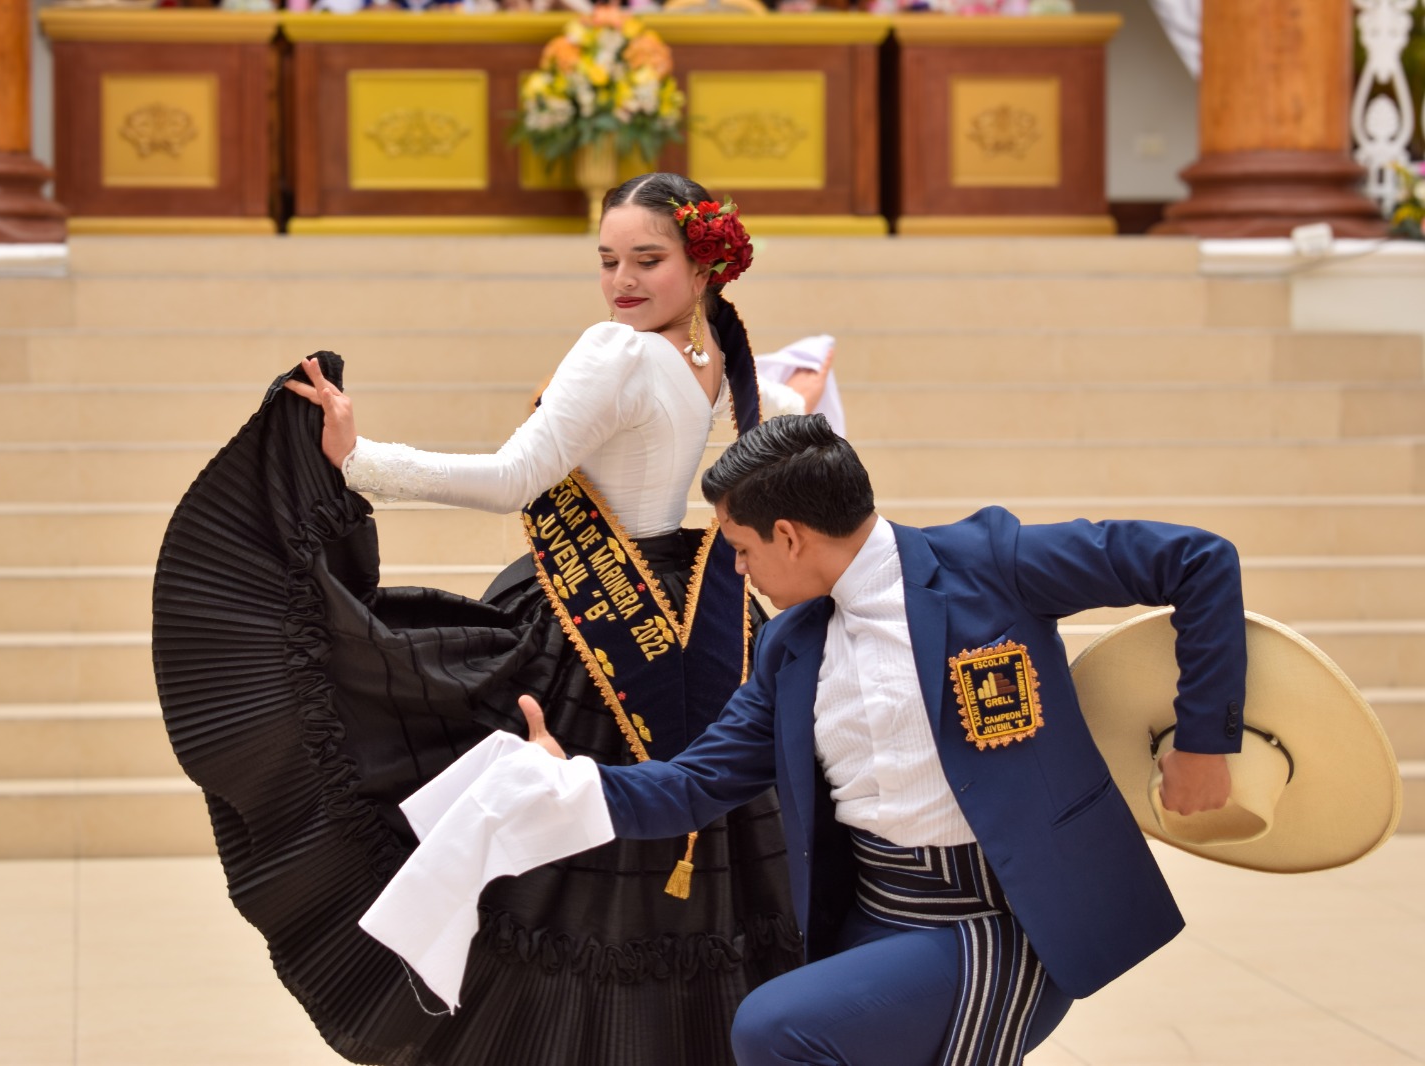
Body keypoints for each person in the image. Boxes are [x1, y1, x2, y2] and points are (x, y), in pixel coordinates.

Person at [152, 173, 829, 1066]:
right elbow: (765, 417)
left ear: (704, 262)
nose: (623, 280)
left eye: (648, 260)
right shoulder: (709, 356)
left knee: (545, 866)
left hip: (591, 637)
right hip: (683, 615)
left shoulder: (617, 352)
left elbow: (514, 479)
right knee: (692, 855)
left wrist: (359, 460)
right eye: (608, 260)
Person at [511, 413, 1245, 1066]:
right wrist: (574, 779)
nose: (737, 569)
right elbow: (697, 784)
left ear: (790, 537)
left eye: (739, 548)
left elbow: (1197, 560)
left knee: (771, 1029)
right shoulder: (791, 649)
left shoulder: (991, 564)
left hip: (1003, 918)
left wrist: (1206, 741)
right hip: (872, 916)